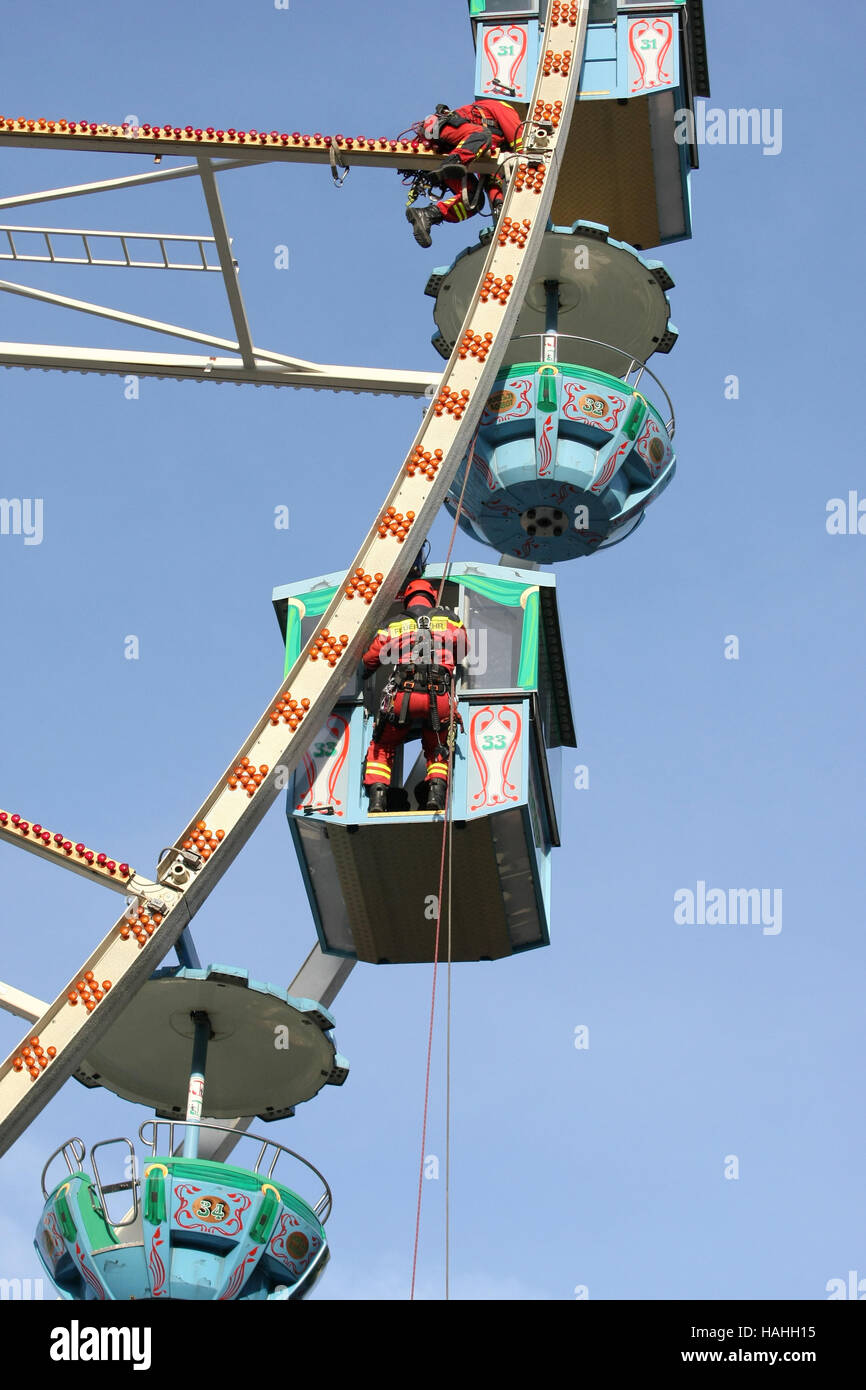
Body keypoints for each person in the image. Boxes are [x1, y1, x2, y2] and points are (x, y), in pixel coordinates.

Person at [362, 577, 469, 813]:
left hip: (402, 697)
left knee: (384, 746)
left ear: (406, 600)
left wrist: (364, 671)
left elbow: (371, 658)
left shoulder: (393, 624)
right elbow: (463, 649)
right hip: (439, 697)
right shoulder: (450, 619)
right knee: (436, 748)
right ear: (433, 597)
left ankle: (378, 799)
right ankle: (436, 794)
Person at [406, 100, 524, 248]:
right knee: (482, 135)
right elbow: (519, 139)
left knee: (474, 200)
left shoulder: (491, 149)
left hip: (452, 156)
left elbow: (488, 177)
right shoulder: (505, 109)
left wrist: (498, 203)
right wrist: (525, 157)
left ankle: (429, 215)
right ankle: (453, 163)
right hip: (447, 133)